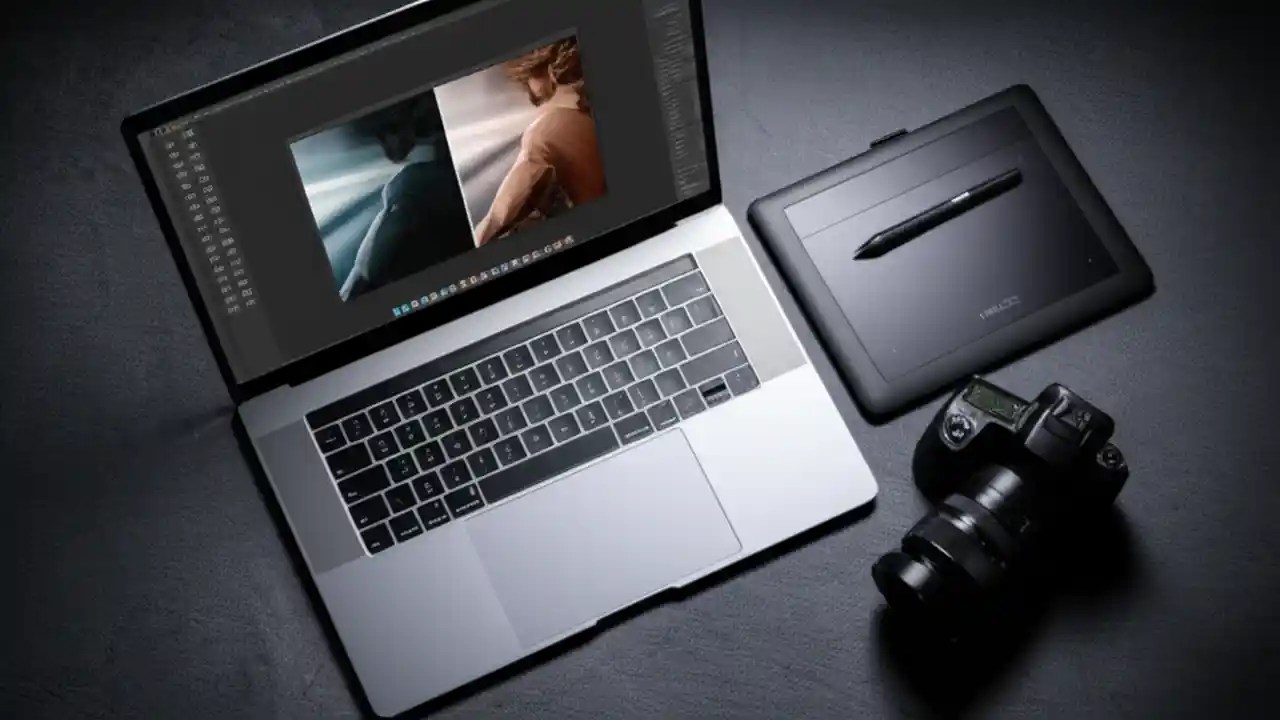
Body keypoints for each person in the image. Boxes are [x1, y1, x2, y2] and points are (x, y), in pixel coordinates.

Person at [473, 38, 606, 246]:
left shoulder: (545, 132)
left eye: (527, 80)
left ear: (547, 68)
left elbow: (499, 217)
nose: (530, 96)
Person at [340, 96, 474, 301]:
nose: (384, 147)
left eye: (384, 134)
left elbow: (369, 269)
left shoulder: (412, 185)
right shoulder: (418, 180)